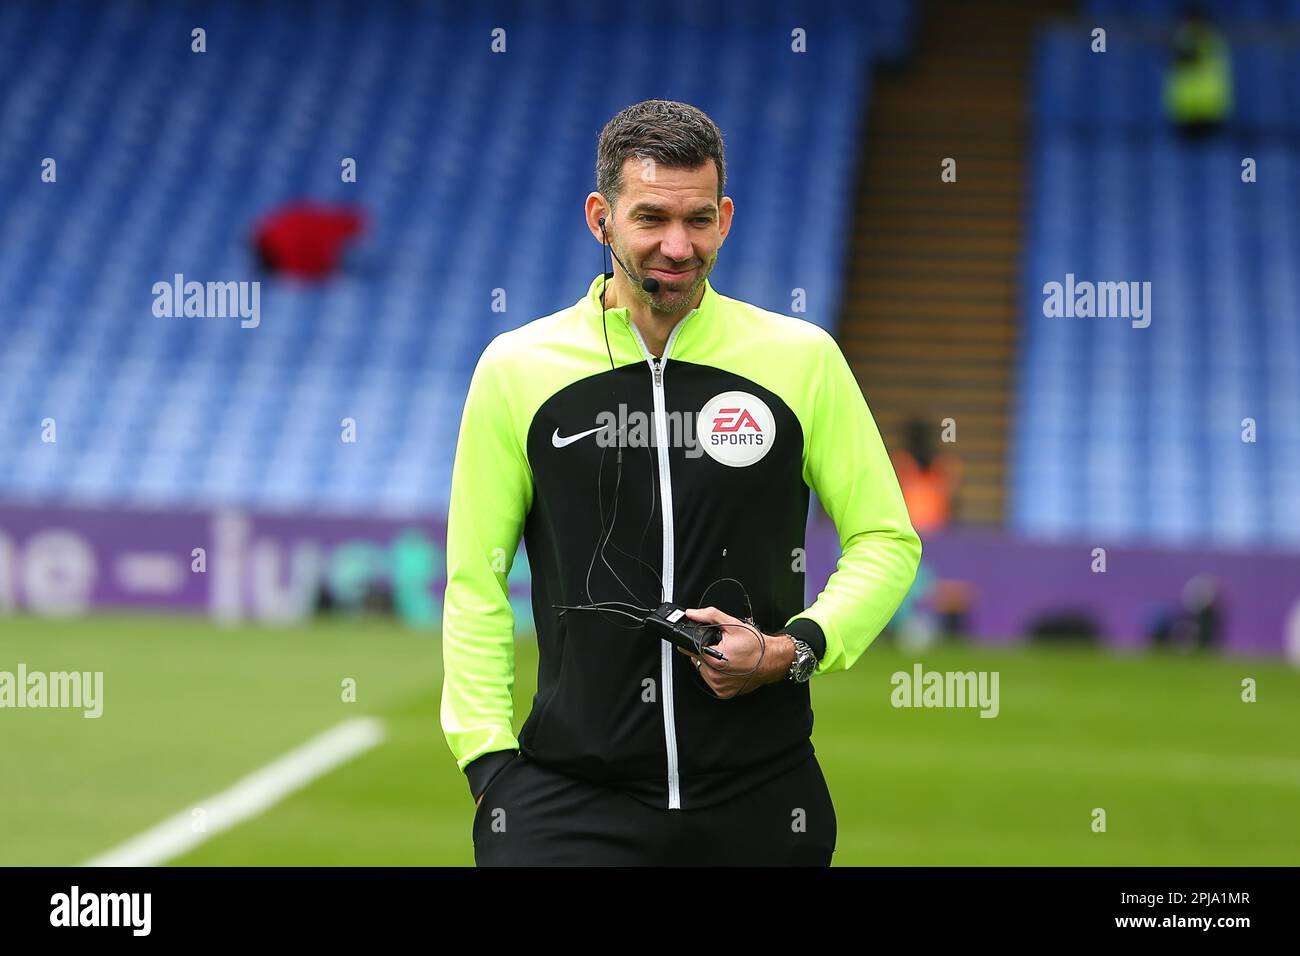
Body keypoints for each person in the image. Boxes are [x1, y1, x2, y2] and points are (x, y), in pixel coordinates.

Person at [440, 99, 921, 866]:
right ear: (600, 218)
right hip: (568, 802)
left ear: (725, 217)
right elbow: (475, 582)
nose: (677, 245)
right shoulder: (516, 369)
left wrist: (793, 648)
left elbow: (885, 540)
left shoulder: (802, 358)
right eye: (651, 218)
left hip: (762, 798)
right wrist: (488, 764)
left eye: (699, 220)